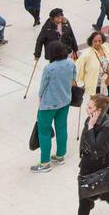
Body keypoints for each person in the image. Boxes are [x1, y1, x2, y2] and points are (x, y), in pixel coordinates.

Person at [77, 94, 109, 215]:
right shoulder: (90, 118)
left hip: (101, 162)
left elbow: (95, 145)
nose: (87, 109)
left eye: (90, 107)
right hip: (88, 161)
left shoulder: (107, 123)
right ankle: (91, 203)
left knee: (106, 191)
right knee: (85, 194)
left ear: (99, 110)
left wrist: (90, 127)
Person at [32, 43, 76, 172]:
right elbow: (74, 78)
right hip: (65, 101)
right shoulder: (71, 63)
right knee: (61, 128)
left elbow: (43, 86)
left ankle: (44, 163)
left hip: (49, 104)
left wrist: (40, 96)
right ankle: (60, 155)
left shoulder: (49, 68)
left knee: (44, 132)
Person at [76, 31, 109, 105]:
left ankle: (106, 115)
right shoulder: (86, 54)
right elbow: (78, 68)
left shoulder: (104, 48)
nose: (98, 43)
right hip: (95, 84)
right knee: (96, 105)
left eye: (99, 41)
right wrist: (81, 83)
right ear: (91, 41)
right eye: (95, 41)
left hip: (108, 81)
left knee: (107, 103)